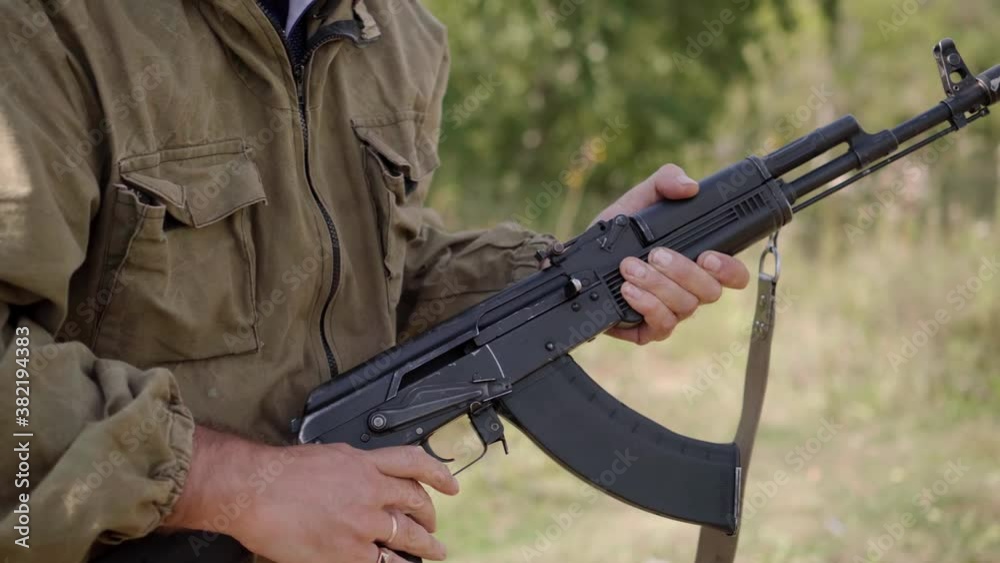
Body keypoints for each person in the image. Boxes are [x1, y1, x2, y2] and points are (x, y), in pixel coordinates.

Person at [0, 1, 750, 562]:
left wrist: (572, 279)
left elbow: (376, 271)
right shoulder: (47, 31)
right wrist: (228, 483)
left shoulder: (395, 33)